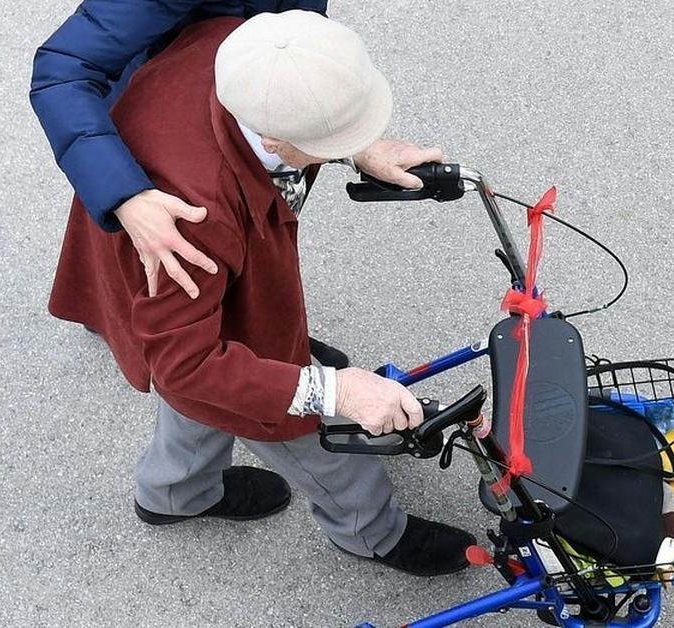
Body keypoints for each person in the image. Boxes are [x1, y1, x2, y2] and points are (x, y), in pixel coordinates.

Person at [44, 11, 474, 576]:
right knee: (307, 434)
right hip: (190, 291)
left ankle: (175, 494)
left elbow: (181, 352)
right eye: (328, 143)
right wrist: (332, 392)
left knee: (204, 393)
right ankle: (373, 534)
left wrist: (356, 144)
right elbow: (187, 364)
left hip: (179, 297)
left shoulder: (239, 48)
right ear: (274, 136)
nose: (337, 150)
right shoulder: (197, 215)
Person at [30, 0, 436, 364]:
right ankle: (231, 357)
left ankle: (246, 346)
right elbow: (61, 71)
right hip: (168, 121)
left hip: (254, 109)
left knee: (247, 246)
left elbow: (295, 42)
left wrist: (342, 131)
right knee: (180, 261)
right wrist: (127, 196)